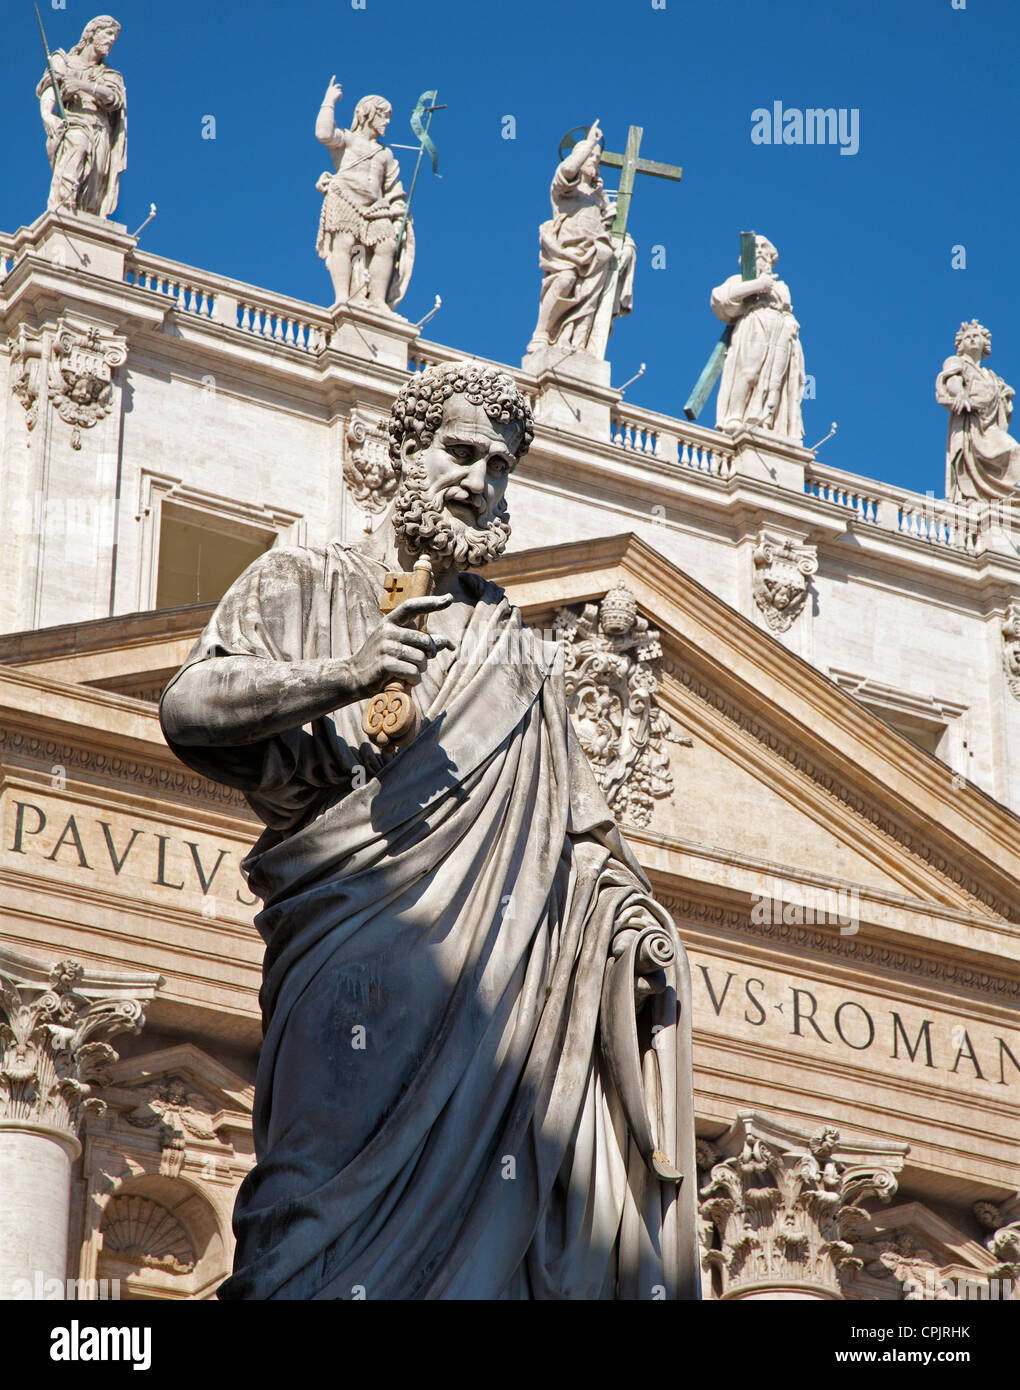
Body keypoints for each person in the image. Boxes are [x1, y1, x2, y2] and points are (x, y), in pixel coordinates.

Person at [160, 361, 699, 1301]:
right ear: (403, 452)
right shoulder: (307, 578)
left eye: (499, 466)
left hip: (500, 998)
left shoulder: (521, 655)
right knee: (306, 1209)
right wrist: (341, 675)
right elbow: (190, 707)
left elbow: (577, 842)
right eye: (459, 452)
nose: (479, 481)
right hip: (351, 945)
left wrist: (630, 935)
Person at [526, 120, 635, 358]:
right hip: (566, 253)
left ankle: (576, 342)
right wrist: (589, 144)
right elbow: (566, 171)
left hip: (595, 257)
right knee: (565, 280)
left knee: (590, 299)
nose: (594, 161)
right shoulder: (564, 191)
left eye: (597, 158)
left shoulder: (598, 198)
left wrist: (610, 215)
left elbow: (611, 230)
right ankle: (542, 333)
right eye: (589, 157)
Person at [314, 76, 410, 310]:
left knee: (386, 246)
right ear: (368, 113)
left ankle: (377, 300)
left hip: (376, 207)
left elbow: (393, 189)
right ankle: (342, 298)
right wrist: (329, 102)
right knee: (344, 242)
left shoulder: (386, 155)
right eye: (383, 116)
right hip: (346, 197)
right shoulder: (348, 139)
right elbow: (324, 134)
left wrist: (398, 216)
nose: (387, 122)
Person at [711, 234, 805, 442]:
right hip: (755, 323)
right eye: (755, 248)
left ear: (771, 256)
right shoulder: (741, 280)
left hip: (781, 330)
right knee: (748, 371)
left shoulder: (781, 287)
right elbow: (721, 298)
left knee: (775, 380)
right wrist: (758, 284)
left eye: (764, 247)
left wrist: (790, 323)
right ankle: (736, 416)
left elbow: (787, 309)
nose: (760, 251)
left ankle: (766, 421)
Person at [37, 14, 127, 219]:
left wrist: (82, 85)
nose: (112, 40)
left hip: (101, 130)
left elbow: (113, 97)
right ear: (92, 33)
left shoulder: (110, 75)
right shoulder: (64, 61)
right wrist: (48, 116)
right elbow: (50, 89)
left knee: (94, 186)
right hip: (75, 123)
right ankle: (64, 211)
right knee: (77, 145)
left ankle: (85, 223)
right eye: (108, 33)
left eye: (115, 37)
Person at [935, 320, 1020, 502]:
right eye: (968, 337)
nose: (972, 340)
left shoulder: (991, 375)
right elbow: (952, 381)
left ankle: (1008, 499)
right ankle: (975, 497)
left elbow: (1000, 402)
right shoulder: (956, 361)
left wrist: (1004, 395)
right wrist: (961, 394)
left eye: (976, 337)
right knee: (1011, 449)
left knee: (1014, 451)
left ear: (984, 344)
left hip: (988, 425)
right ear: (961, 344)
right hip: (970, 423)